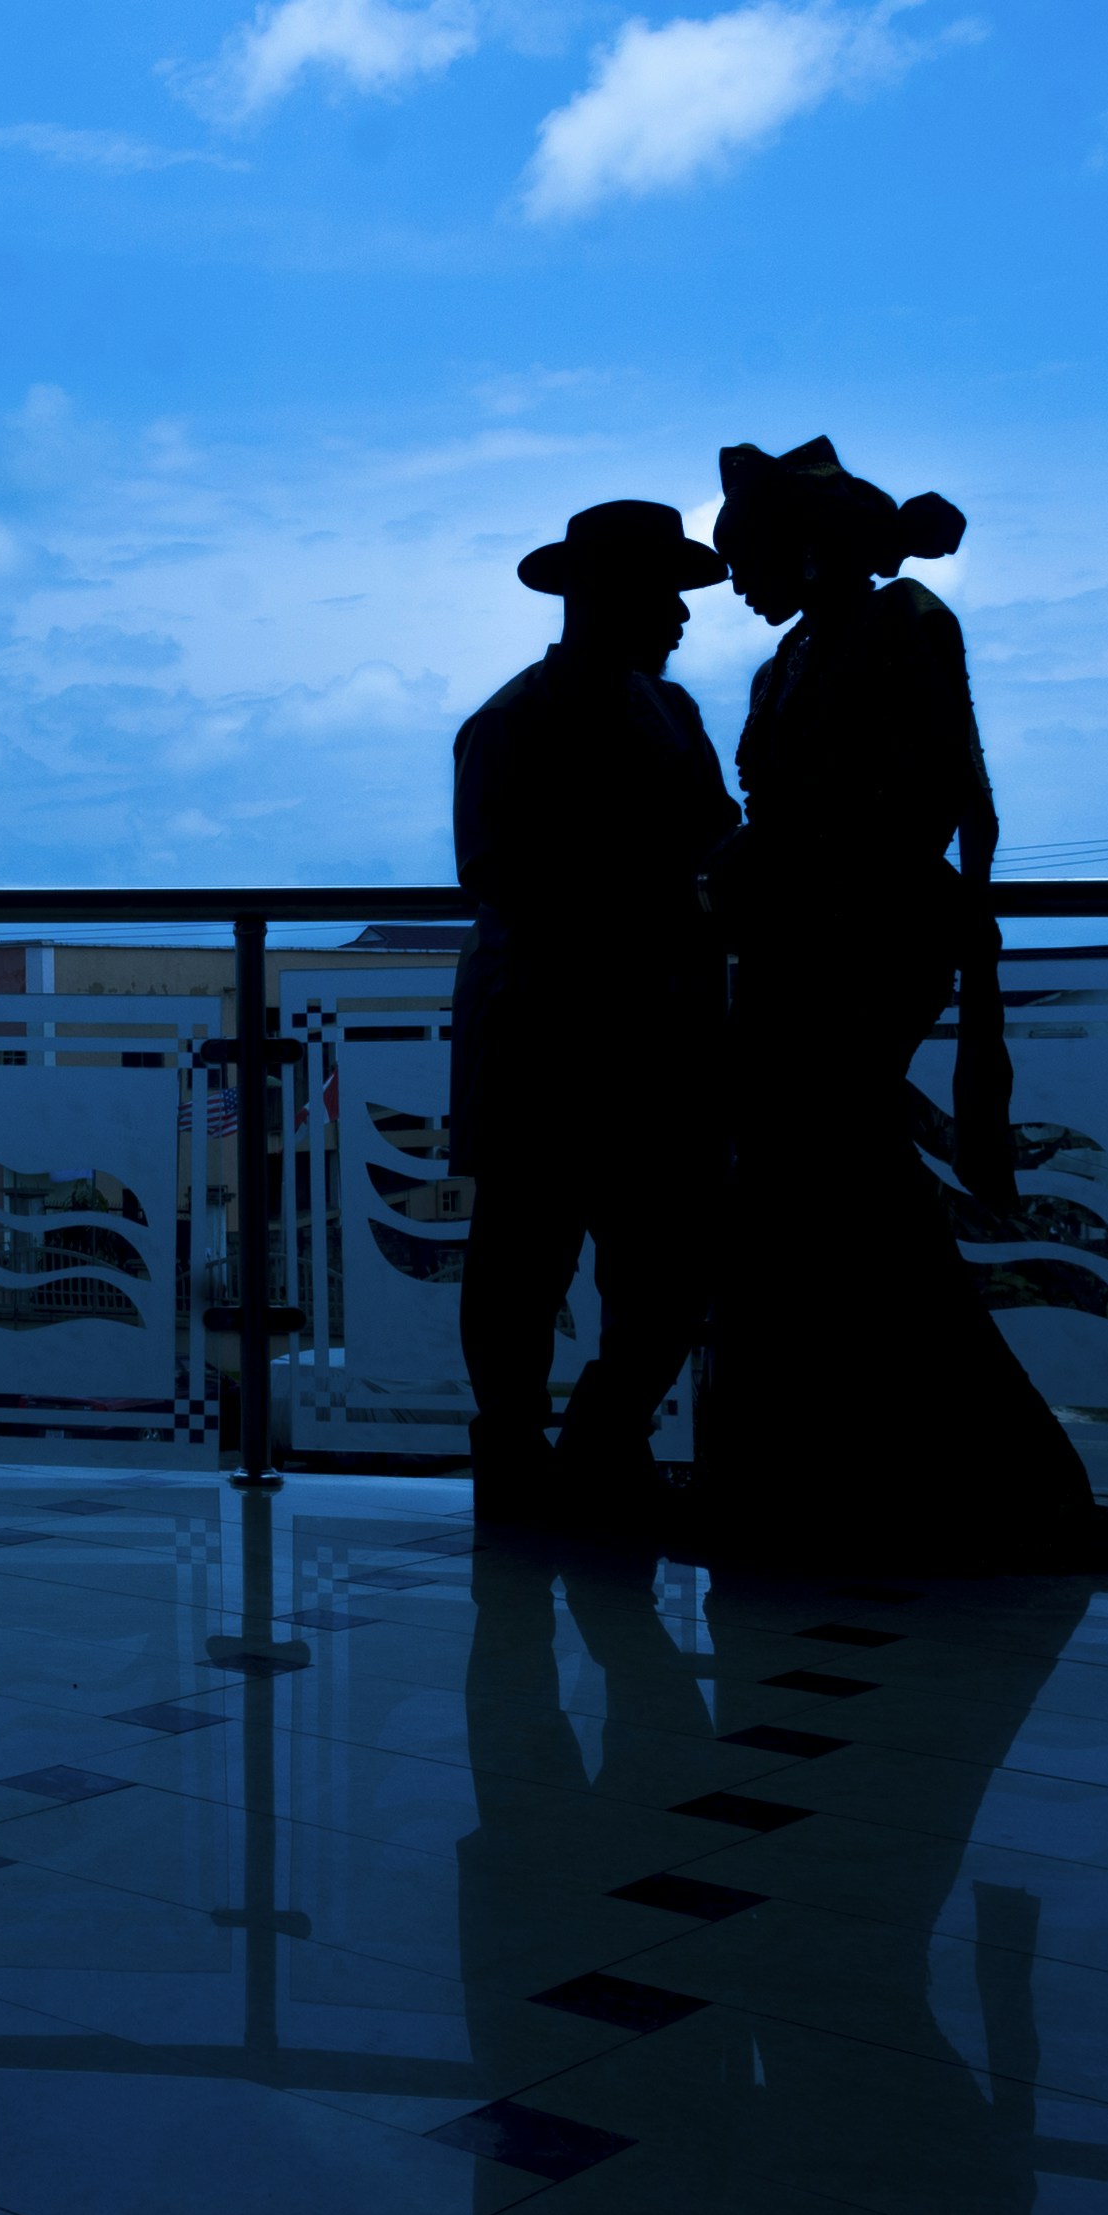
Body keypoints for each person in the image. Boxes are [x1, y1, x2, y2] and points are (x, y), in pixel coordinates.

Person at [696, 438, 1108, 1569]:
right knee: (809, 1185)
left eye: (747, 556)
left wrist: (796, 863)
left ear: (810, 545)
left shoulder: (904, 623)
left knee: (826, 1169)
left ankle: (924, 1463)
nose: (734, 581)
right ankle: (839, 1458)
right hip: (793, 943)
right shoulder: (783, 663)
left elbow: (937, 791)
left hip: (869, 937)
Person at [448, 496, 738, 1514]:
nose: (680, 616)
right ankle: (525, 1453)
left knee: (661, 1262)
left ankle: (601, 1436)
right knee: (525, 1256)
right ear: (601, 599)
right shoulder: (512, 721)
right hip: (546, 1025)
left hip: (653, 1027)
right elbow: (496, 870)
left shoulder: (671, 713)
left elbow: (717, 841)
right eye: (663, 595)